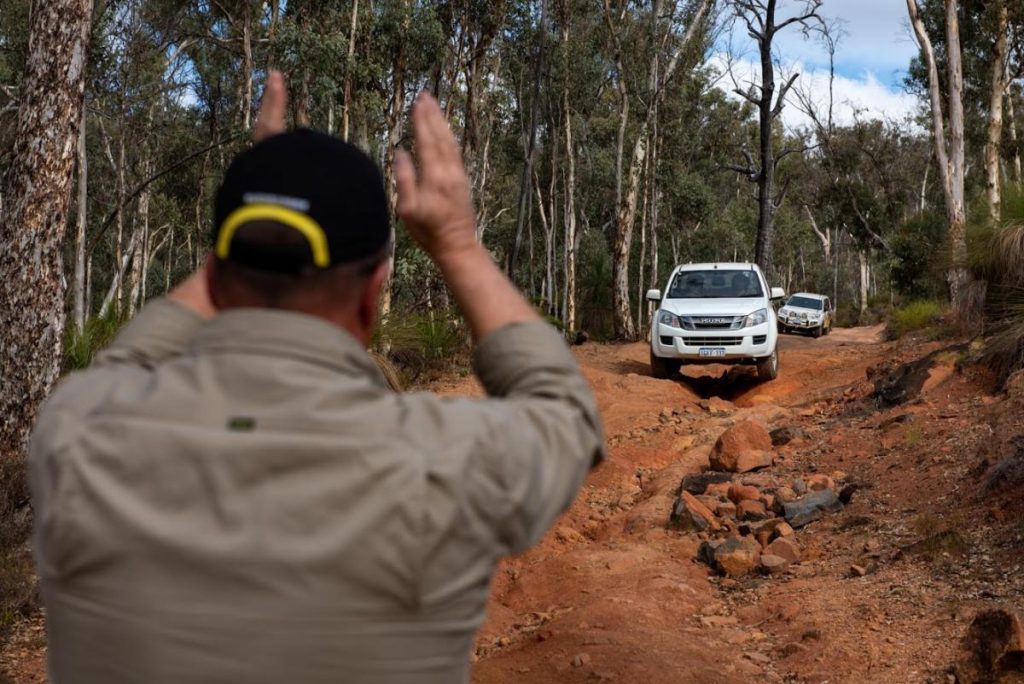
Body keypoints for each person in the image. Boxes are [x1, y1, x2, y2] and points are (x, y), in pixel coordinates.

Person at [29, 72, 605, 684]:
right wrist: (458, 244)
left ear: (215, 279)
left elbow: (126, 365)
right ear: (371, 297)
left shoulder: (80, 431)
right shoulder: (445, 463)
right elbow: (565, 411)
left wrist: (257, 203)